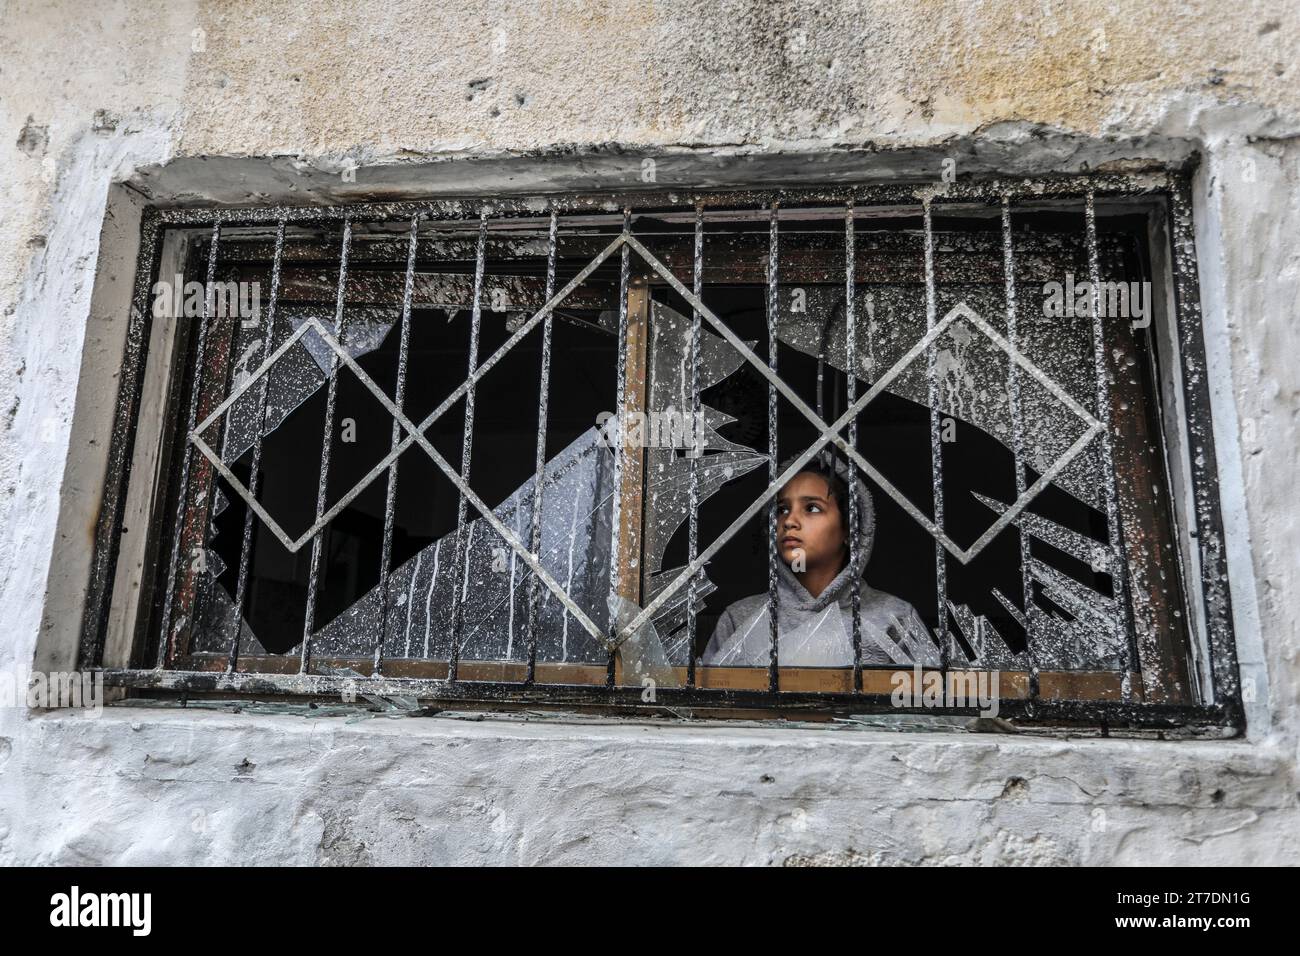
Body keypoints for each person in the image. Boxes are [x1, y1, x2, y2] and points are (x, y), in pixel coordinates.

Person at [701, 449, 941, 668]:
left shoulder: (894, 617)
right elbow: (708, 708)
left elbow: (930, 708)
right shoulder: (740, 618)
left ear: (849, 529)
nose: (790, 521)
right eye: (782, 509)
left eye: (812, 508)